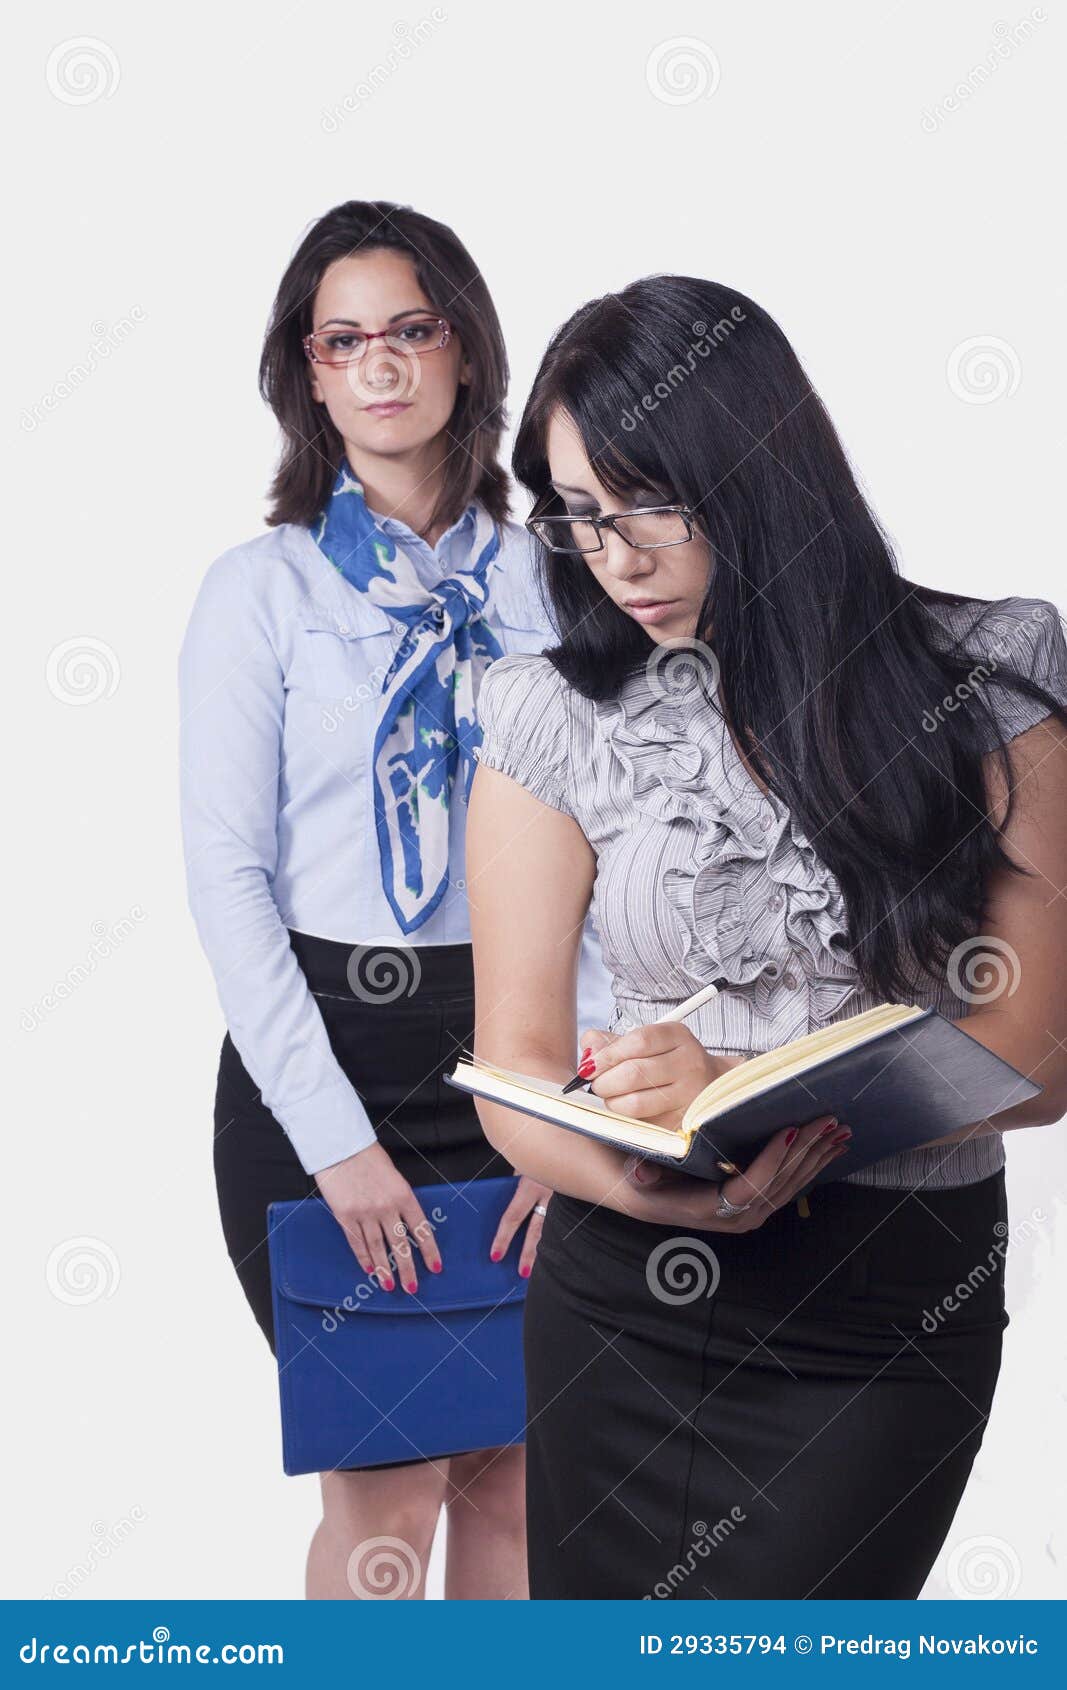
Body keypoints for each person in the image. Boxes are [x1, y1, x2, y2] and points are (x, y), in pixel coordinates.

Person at [465, 274, 1067, 1599]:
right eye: (577, 517)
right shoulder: (544, 714)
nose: (614, 558)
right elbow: (511, 1067)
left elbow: (1036, 1051)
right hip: (621, 1300)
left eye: (645, 505)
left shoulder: (991, 670)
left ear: (756, 469)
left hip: (885, 1316)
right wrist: (651, 1182)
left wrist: (737, 1090)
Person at [178, 199, 613, 1600]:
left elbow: (604, 846)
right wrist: (336, 1145)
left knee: (516, 1491)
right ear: (307, 372)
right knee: (384, 1497)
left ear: (466, 353)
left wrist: (570, 1111)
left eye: (410, 329)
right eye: (343, 338)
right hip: (327, 1061)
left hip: (518, 1042)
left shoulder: (554, 581)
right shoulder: (263, 591)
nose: (380, 364)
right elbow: (227, 878)